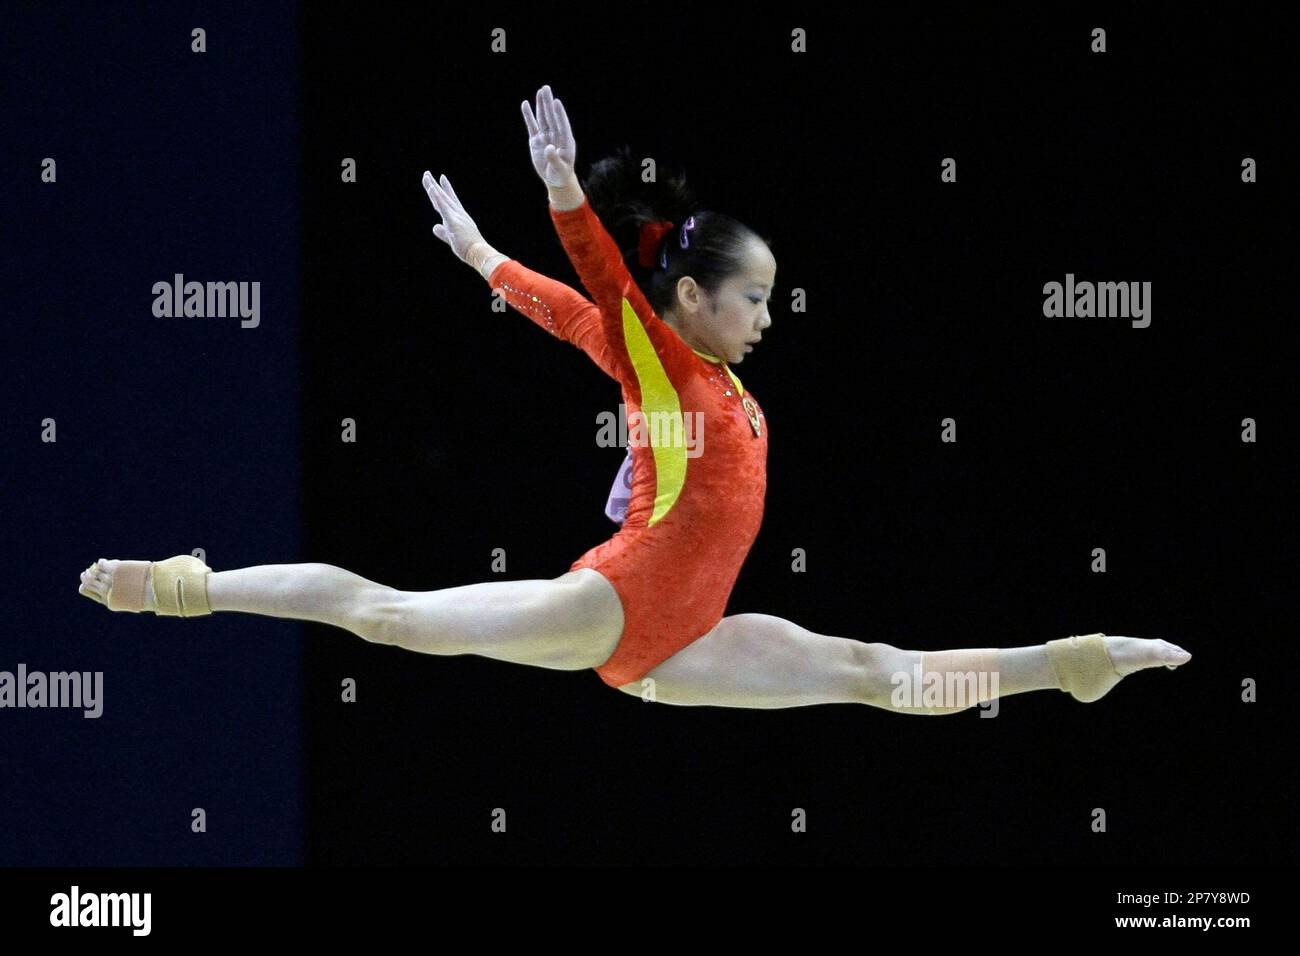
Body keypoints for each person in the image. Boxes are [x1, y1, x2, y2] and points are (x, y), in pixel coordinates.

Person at [77, 84, 1191, 711]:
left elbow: (573, 316)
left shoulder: (720, 391)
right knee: (395, 615)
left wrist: (479, 261)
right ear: (695, 298)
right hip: (614, 604)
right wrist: (557, 198)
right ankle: (192, 582)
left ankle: (1075, 660)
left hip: (686, 639)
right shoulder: (666, 359)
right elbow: (599, 292)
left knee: (873, 675)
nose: (766, 317)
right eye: (751, 298)